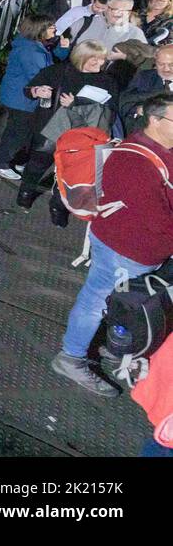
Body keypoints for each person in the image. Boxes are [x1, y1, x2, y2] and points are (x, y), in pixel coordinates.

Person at [53, 93, 173, 397]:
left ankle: (114, 344)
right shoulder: (136, 162)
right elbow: (158, 220)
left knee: (112, 300)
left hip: (128, 245)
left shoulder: (157, 148)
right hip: (126, 249)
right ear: (155, 120)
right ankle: (71, 357)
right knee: (96, 301)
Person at [16, 40, 121, 217]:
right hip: (51, 129)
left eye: (102, 60)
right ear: (80, 57)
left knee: (71, 173)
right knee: (38, 162)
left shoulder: (107, 80)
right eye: (93, 60)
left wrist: (77, 103)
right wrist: (37, 91)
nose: (99, 64)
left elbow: (112, 106)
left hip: (83, 136)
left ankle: (59, 205)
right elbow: (28, 90)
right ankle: (25, 191)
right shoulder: (58, 71)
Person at [0, 14, 66, 180]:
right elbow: (40, 76)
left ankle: (10, 161)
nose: (55, 29)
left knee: (19, 131)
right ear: (40, 30)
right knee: (18, 133)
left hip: (18, 97)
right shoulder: (31, 51)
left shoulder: (34, 46)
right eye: (51, 27)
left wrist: (63, 49)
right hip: (21, 100)